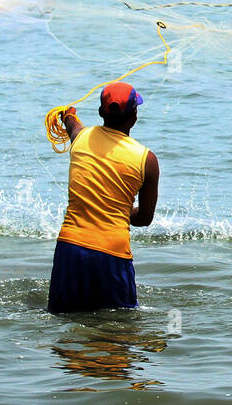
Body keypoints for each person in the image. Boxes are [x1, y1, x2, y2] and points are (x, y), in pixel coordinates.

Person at [47, 81, 159, 312]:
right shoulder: (146, 160)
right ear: (134, 117)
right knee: (120, 330)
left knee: (63, 322)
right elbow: (144, 219)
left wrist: (68, 114)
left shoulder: (80, 140)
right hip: (112, 254)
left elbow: (72, 125)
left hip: (70, 249)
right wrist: (117, 209)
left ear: (101, 113)